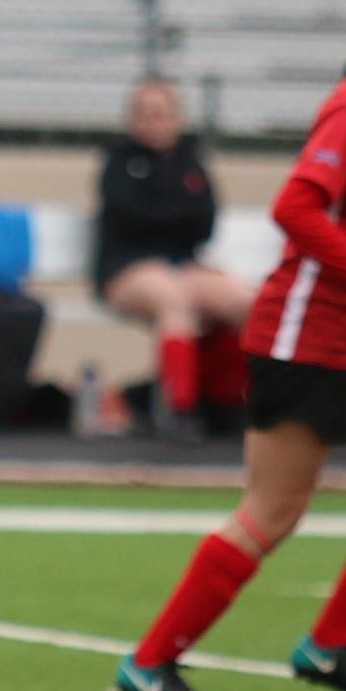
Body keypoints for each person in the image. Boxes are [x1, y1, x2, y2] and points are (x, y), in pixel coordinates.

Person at [114, 0, 346, 691]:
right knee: (271, 514)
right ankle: (150, 665)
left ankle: (326, 645)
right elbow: (294, 209)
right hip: (300, 338)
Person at [93, 77, 254, 439]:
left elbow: (205, 221)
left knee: (245, 302)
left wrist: (165, 222)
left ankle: (233, 404)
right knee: (174, 300)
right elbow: (128, 217)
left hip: (182, 264)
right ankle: (180, 409)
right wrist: (173, 219)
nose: (153, 122)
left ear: (177, 119)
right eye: (145, 114)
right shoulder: (119, 162)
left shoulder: (189, 163)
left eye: (162, 114)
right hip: (127, 268)